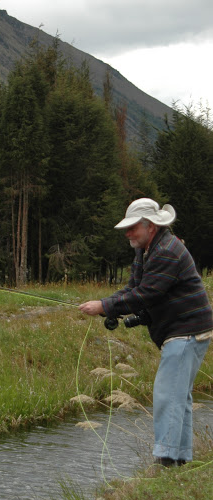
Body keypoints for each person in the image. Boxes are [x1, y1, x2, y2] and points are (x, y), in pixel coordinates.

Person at [79, 198, 212, 466]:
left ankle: (166, 460)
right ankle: (179, 460)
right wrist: (108, 306)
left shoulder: (165, 251)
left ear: (150, 226)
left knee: (166, 395)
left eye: (132, 228)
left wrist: (104, 306)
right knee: (178, 397)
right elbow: (132, 288)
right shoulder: (145, 249)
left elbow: (147, 294)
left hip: (187, 332)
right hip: (185, 331)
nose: (127, 234)